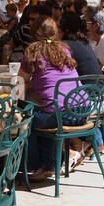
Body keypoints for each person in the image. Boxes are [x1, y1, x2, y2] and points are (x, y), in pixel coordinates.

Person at [22, 18, 83, 178]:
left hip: (60, 114)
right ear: (56, 33)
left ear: (35, 33)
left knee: (27, 119)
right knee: (46, 111)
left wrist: (32, 87)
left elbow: (20, 81)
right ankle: (52, 162)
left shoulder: (32, 50)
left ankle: (43, 165)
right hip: (81, 111)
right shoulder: (64, 49)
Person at [60, 11, 101, 78]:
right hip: (98, 85)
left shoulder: (66, 45)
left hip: (85, 87)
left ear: (65, 29)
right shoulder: (83, 42)